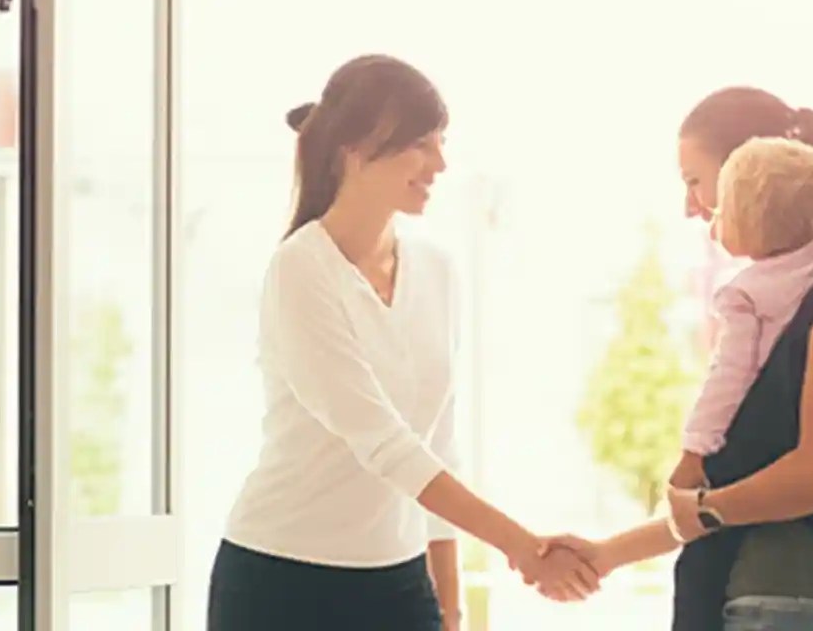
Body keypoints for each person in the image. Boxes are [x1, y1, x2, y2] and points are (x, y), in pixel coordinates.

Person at [206, 54, 598, 631]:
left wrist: (451, 606)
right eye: (422, 143)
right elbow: (384, 443)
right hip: (282, 579)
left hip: (398, 581)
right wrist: (522, 547)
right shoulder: (301, 269)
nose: (440, 162)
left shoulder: (436, 271)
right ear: (356, 148)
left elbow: (436, 442)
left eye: (441, 141)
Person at [541, 86, 813, 631]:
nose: (690, 206)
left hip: (775, 602)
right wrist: (606, 555)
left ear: (753, 168)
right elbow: (731, 493)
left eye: (695, 181)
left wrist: (706, 509)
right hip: (758, 597)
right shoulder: (793, 304)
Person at [672, 135, 813, 491]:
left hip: (754, 443)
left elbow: (728, 375)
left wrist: (694, 451)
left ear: (751, 225)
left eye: (724, 210)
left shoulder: (745, 298)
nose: (713, 216)